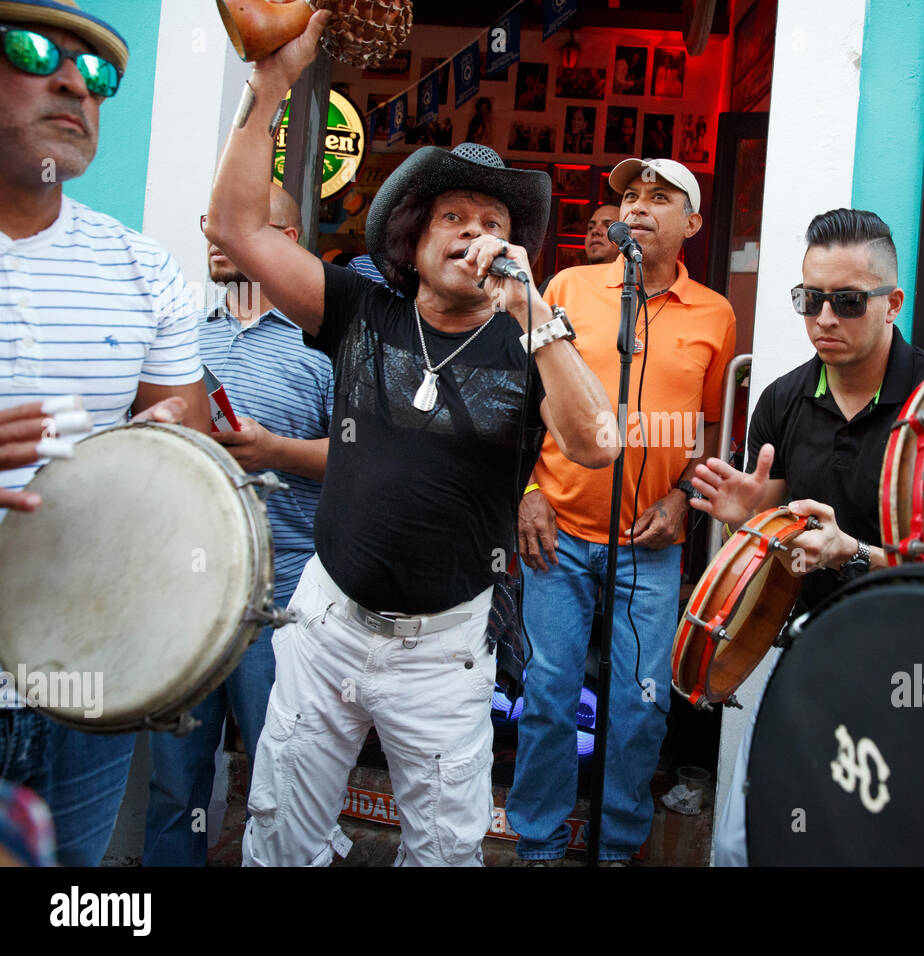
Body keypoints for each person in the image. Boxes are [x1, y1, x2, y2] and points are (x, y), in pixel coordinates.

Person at [203, 10, 616, 866]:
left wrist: (536, 311)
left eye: (493, 222)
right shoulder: (359, 310)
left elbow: (597, 444)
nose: (475, 235)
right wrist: (272, 86)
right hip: (326, 628)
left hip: (443, 652)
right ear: (413, 240)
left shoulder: (531, 339)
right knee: (279, 833)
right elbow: (237, 229)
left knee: (444, 851)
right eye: (453, 218)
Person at [0, 0, 207, 867]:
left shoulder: (142, 266)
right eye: (34, 50)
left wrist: (162, 455)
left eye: (99, 76)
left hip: (90, 660)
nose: (74, 84)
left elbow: (182, 437)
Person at [688, 208, 924, 866]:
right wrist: (748, 519)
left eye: (848, 302)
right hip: (799, 650)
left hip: (910, 664)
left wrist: (854, 551)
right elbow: (772, 535)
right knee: (745, 843)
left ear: (893, 302)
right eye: (810, 299)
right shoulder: (781, 400)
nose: (824, 318)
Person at [509, 157, 736, 864]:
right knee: (547, 696)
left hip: (651, 544)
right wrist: (528, 493)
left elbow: (705, 430)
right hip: (560, 533)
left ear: (692, 223)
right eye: (630, 196)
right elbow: (519, 401)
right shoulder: (567, 289)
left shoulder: (715, 314)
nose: (637, 206)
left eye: (660, 197)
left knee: (641, 702)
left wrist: (681, 502)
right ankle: (539, 846)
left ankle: (617, 845)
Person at [142, 185, 333, 866]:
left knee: (282, 782)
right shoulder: (179, 338)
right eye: (212, 225)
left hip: (280, 598)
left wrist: (276, 450)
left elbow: (361, 462)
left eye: (238, 224)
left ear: (282, 239)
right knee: (175, 784)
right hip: (186, 598)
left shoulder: (324, 350)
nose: (217, 237)